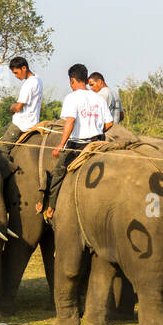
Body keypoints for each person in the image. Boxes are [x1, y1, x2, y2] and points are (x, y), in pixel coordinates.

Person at [43, 63, 111, 218]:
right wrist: (97, 130)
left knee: (58, 172)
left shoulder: (72, 97)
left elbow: (70, 121)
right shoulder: (98, 98)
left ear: (72, 80)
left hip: (79, 145)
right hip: (99, 142)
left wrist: (61, 145)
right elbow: (109, 123)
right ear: (86, 79)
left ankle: (51, 207)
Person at [0, 57, 42, 149]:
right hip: (33, 121)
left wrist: (12, 107)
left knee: (0, 149)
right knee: (3, 132)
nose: (16, 76)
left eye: (16, 73)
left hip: (22, 124)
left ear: (24, 68)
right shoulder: (38, 79)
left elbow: (18, 108)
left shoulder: (28, 84)